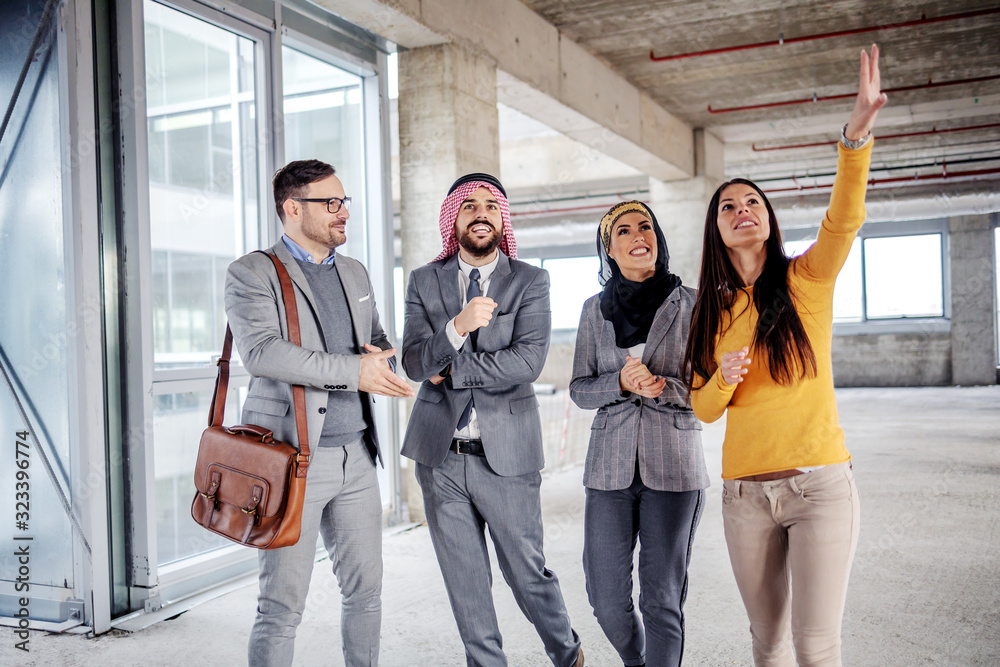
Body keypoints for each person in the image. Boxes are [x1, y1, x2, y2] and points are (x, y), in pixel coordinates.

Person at [683, 46, 887, 666]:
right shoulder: (710, 313)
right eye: (728, 206)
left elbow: (843, 219)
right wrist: (723, 378)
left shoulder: (807, 279)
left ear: (767, 219)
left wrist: (854, 138)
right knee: (766, 643)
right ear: (717, 230)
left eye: (752, 202)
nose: (742, 210)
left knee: (815, 645)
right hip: (744, 497)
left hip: (819, 486)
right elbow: (702, 408)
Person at [224, 159, 414, 667]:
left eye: (343, 201)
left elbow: (375, 339)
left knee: (366, 592)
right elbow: (263, 352)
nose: (342, 211)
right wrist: (355, 372)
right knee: (281, 607)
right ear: (292, 208)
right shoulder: (252, 272)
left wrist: (385, 360)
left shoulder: (354, 271)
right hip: (292, 460)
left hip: (358, 456)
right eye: (330, 202)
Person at [401, 173, 584, 667]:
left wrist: (450, 367)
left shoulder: (530, 280)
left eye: (490, 205)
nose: (480, 213)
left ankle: (568, 654)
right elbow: (414, 362)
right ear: (453, 219)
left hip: (508, 456)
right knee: (466, 586)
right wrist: (457, 327)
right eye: (469, 206)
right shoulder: (423, 280)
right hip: (439, 457)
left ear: (502, 218)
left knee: (527, 573)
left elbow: (528, 362)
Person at [569, 201, 709, 667]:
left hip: (674, 463)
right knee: (605, 598)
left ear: (657, 238)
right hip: (608, 468)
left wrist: (664, 387)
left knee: (661, 597)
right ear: (609, 249)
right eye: (624, 231)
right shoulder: (593, 310)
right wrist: (620, 383)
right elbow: (580, 389)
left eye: (645, 227)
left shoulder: (694, 304)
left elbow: (711, 390)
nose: (637, 236)